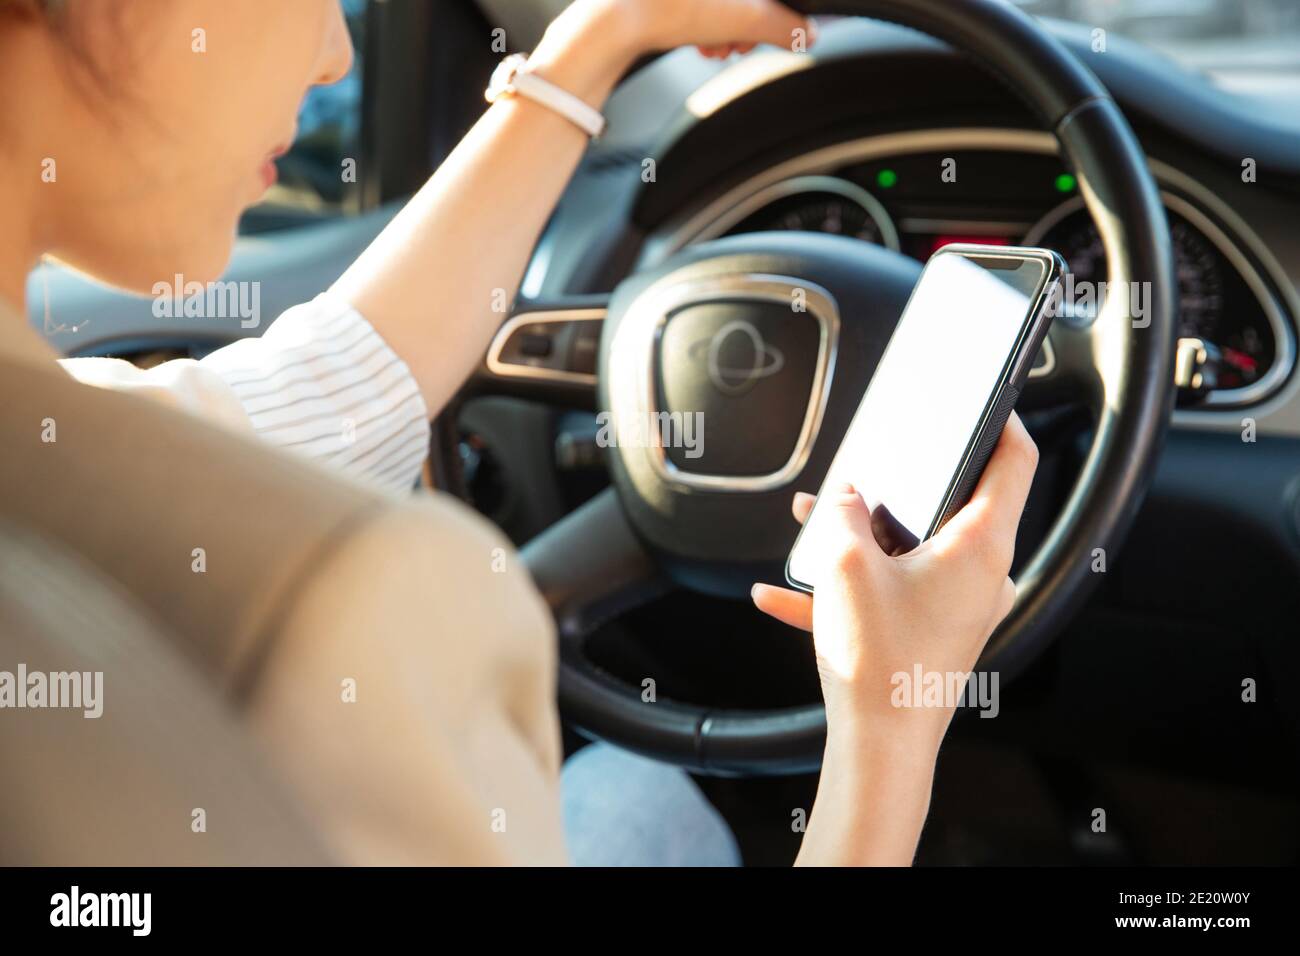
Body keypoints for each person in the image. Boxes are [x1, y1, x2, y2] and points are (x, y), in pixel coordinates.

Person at [0, 0, 1038, 865]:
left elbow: (338, 383)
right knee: (651, 799)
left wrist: (597, 43)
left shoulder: (75, 440)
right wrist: (894, 718)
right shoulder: (347, 602)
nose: (336, 54)